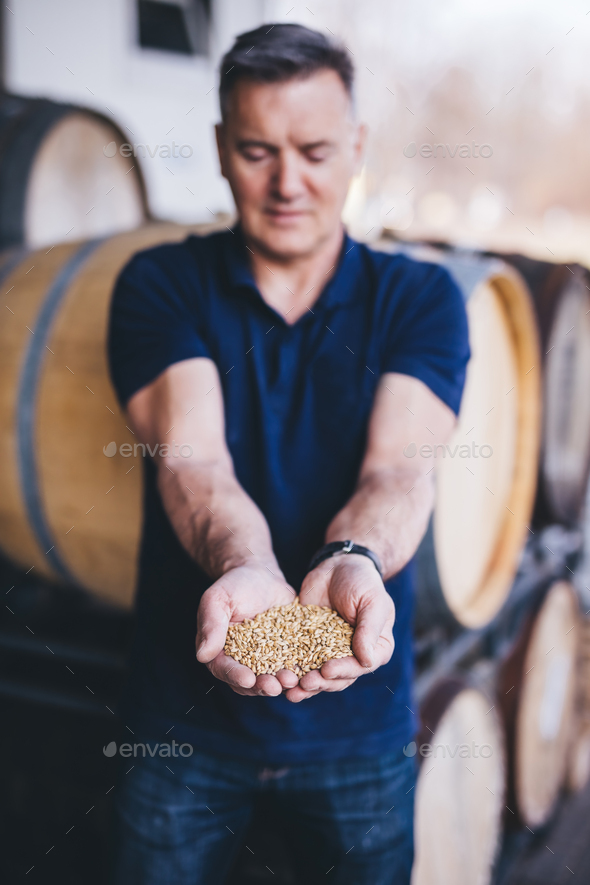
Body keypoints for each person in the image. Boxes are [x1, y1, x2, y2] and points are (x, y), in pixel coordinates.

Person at [108, 22, 470, 885]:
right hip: (180, 722)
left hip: (363, 725)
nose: (287, 181)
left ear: (355, 147)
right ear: (221, 151)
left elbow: (399, 471)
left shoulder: (420, 297)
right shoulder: (161, 284)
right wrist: (246, 561)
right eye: (257, 150)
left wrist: (350, 556)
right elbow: (194, 462)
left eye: (313, 150)